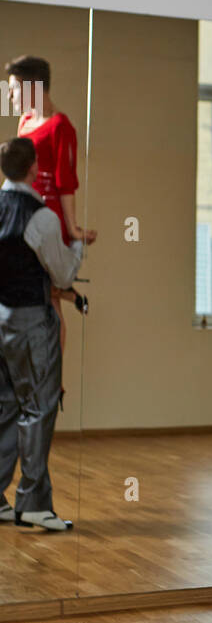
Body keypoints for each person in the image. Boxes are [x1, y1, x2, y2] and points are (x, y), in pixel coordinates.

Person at [0, 136, 90, 532]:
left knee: (4, 407)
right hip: (31, 321)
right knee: (38, 407)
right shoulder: (42, 217)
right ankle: (33, 504)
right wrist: (77, 243)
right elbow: (63, 274)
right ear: (35, 167)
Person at [6, 55, 95, 391]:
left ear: (32, 87)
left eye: (14, 89)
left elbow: (66, 180)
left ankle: (50, 381)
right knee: (34, 294)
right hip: (23, 216)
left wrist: (71, 229)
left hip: (48, 219)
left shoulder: (61, 126)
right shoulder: (25, 122)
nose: (11, 97)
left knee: (49, 303)